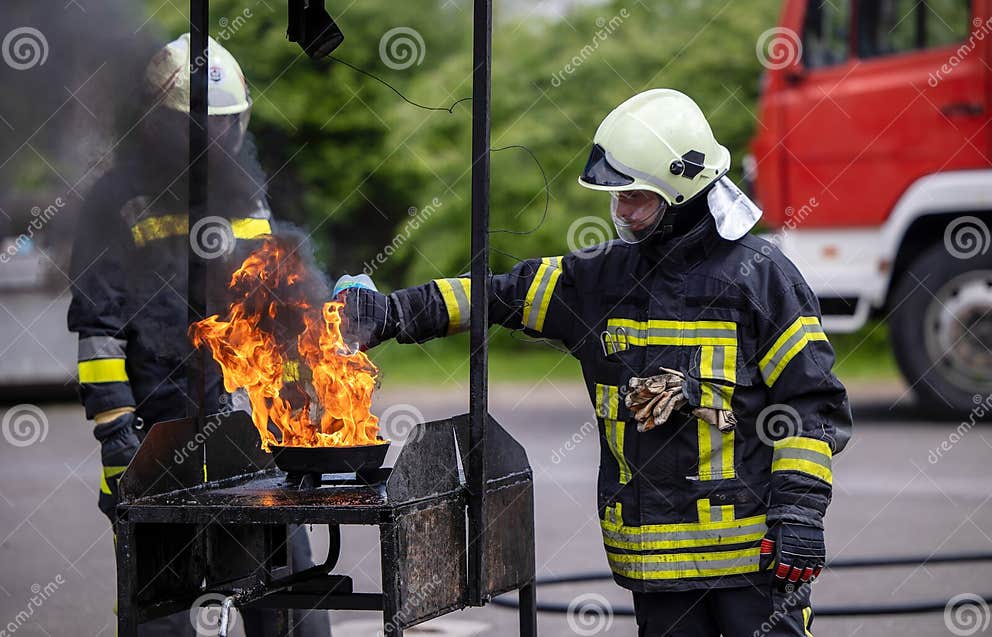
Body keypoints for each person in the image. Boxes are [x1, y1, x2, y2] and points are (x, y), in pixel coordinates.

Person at [339, 89, 852, 636]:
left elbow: (810, 406)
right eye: (618, 197)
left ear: (682, 192)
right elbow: (497, 295)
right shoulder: (599, 280)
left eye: (636, 197)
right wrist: (391, 314)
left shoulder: (762, 277)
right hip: (656, 572)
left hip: (754, 563)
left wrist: (799, 514)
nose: (622, 212)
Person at [67, 34, 330, 636]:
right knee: (162, 618)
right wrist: (119, 435)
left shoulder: (248, 195)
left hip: (252, 446)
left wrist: (298, 402)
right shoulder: (116, 200)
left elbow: (277, 315)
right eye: (205, 124)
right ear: (163, 123)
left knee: (292, 611)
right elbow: (98, 329)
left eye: (229, 122)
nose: (219, 136)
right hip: (156, 446)